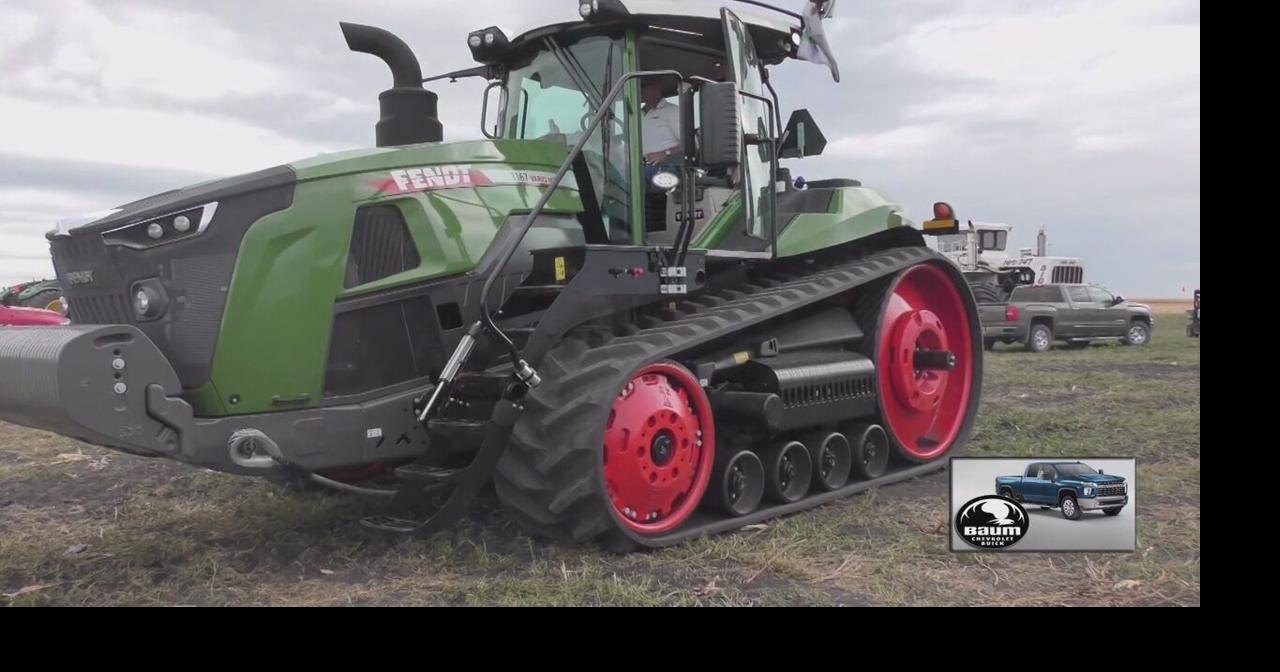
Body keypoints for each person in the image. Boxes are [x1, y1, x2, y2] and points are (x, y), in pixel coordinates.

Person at [641, 80, 682, 171]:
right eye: (641, 87)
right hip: (640, 166)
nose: (641, 90)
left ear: (657, 88)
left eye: (645, 86)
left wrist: (665, 153)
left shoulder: (672, 111)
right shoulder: (637, 114)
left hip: (664, 167)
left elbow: (689, 143)